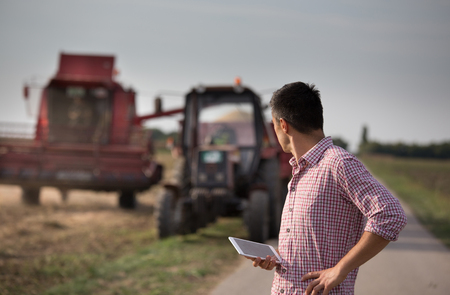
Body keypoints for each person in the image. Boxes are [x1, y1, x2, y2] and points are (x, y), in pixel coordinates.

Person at [247, 82, 407, 295]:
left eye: (274, 126)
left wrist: (340, 270)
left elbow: (391, 214)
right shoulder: (300, 170)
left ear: (283, 125)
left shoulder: (338, 163)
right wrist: (279, 258)